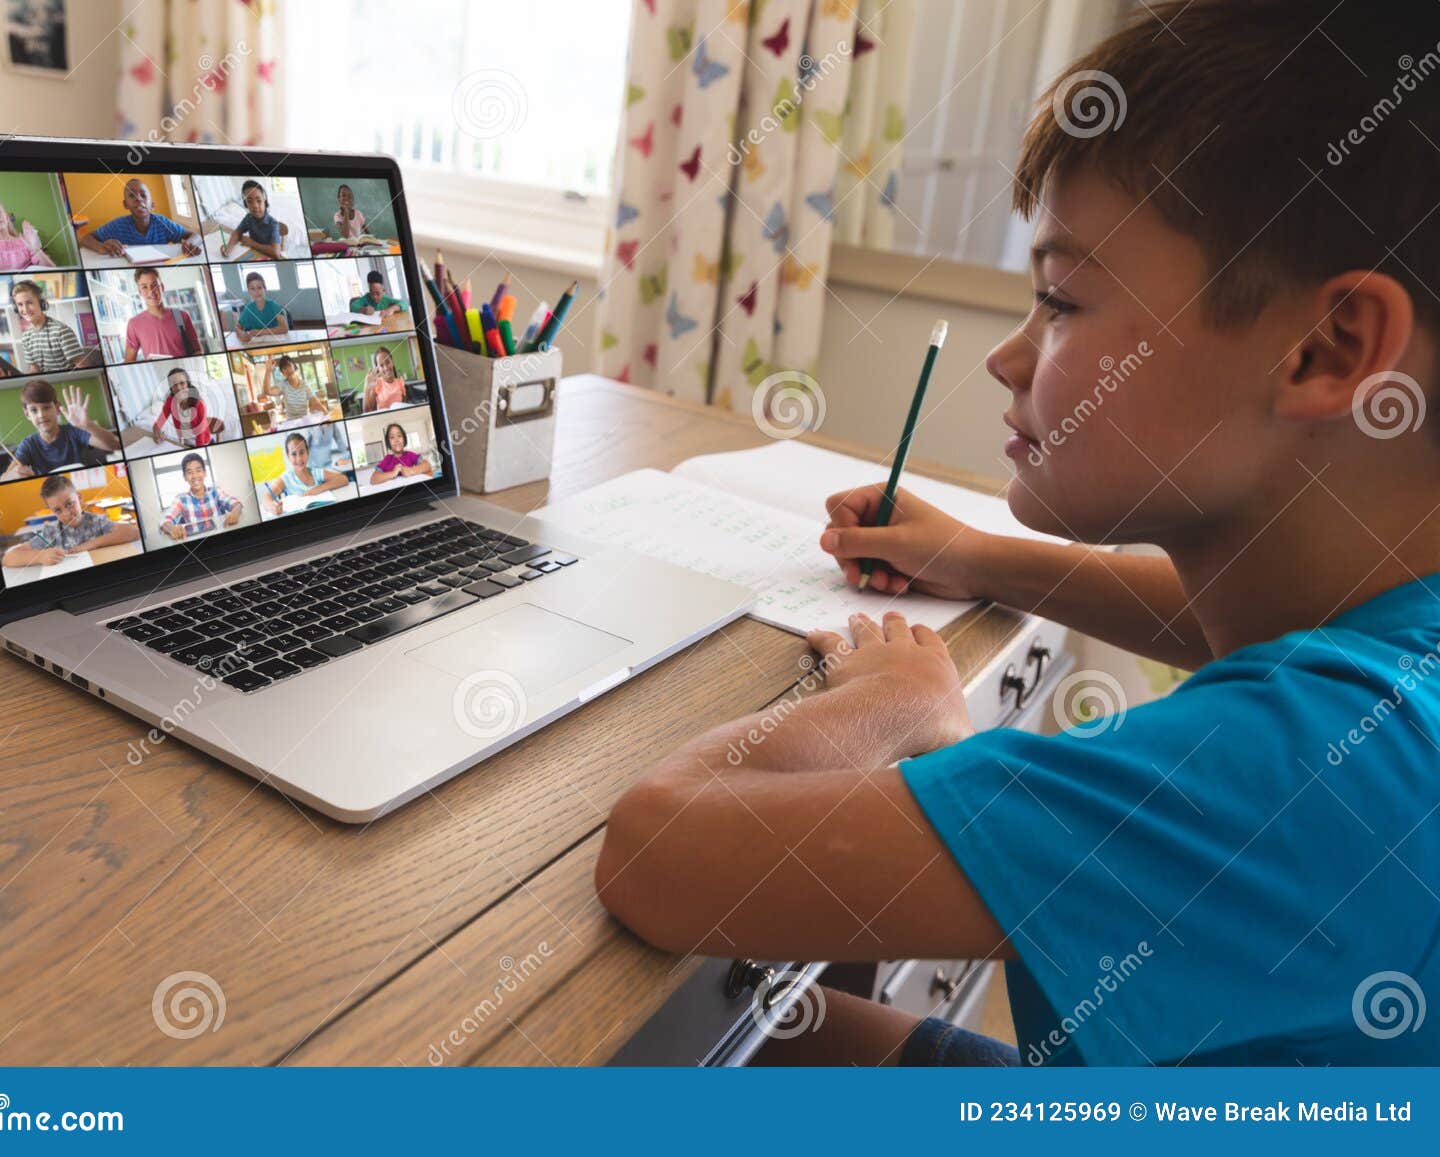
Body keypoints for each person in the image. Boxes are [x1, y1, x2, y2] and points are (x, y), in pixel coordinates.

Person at [595, 0, 1440, 1067]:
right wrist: (974, 555)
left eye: (1061, 300)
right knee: (756, 1034)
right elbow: (1215, 616)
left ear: (1326, 348)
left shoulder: (1308, 769)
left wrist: (897, 708)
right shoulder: (1387, 648)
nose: (1008, 358)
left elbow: (657, 851)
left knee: (655, 1052)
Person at [1, 473, 139, 566]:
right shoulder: (51, 532)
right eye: (58, 510)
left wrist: (92, 544)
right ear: (52, 511)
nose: (67, 513)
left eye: (69, 504)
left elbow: (134, 531)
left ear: (79, 498)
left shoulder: (96, 522)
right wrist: (40, 556)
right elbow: (8, 557)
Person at [0, 379, 121, 480]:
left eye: (46, 407)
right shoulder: (28, 445)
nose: (41, 415)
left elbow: (116, 445)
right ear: (27, 414)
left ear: (57, 408)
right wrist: (14, 475)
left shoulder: (74, 431)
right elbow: (3, 478)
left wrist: (88, 425)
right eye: (34, 410)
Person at [79, 178, 202, 258]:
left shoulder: (162, 223)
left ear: (152, 205)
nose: (138, 198)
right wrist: (101, 247)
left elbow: (196, 235)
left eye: (143, 195)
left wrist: (190, 243)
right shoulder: (117, 226)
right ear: (125, 204)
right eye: (132, 196)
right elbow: (85, 239)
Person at [12, 280, 95, 373]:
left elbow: (84, 367)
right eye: (20, 304)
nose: (25, 309)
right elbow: (34, 369)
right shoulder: (26, 337)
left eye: (29, 303)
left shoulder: (60, 331)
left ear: (41, 303)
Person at [123, 267, 203, 361]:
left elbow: (197, 351)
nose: (151, 291)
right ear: (140, 292)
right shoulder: (134, 324)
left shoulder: (181, 316)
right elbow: (129, 361)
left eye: (154, 285)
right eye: (144, 287)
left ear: (162, 287)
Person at [160, 453, 243, 541]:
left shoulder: (215, 491)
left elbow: (236, 504)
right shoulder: (180, 499)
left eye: (198, 470)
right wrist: (171, 529)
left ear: (204, 473)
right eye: (189, 473)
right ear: (184, 477)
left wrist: (235, 513)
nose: (195, 476)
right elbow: (165, 521)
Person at [263, 432, 350, 515]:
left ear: (307, 452)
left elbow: (343, 479)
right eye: (294, 454)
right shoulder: (286, 478)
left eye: (302, 452)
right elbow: (266, 498)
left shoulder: (315, 472)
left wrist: (316, 490)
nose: (299, 458)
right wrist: (272, 507)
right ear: (288, 456)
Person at [149, 365, 225, 447]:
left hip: (204, 443)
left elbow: (200, 435)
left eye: (182, 383)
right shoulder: (170, 402)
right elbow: (161, 419)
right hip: (185, 443)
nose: (178, 388)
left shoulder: (199, 405)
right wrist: (156, 428)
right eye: (174, 384)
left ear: (188, 384)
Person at [255, 353, 327, 422]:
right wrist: (268, 370)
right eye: (284, 368)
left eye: (289, 366)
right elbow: (267, 391)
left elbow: (315, 402)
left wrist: (326, 415)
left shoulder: (304, 384)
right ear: (283, 373)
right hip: (291, 422)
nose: (288, 370)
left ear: (294, 366)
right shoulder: (283, 385)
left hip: (305, 420)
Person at [223, 179, 284, 260]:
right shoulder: (249, 217)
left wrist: (252, 243)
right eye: (249, 201)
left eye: (259, 201)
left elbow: (276, 252)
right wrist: (228, 248)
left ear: (264, 202)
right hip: (254, 253)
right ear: (245, 204)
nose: (255, 206)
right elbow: (237, 232)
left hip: (268, 256)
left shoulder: (273, 224)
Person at [364, 422, 432, 484]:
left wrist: (411, 471)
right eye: (392, 437)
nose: (396, 440)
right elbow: (373, 479)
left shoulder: (410, 455)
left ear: (404, 439)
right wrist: (393, 473)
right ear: (388, 442)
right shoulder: (387, 459)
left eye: (399, 436)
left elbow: (427, 465)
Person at [235, 271, 288, 343]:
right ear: (249, 291)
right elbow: (237, 327)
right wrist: (241, 334)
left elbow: (284, 328)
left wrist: (261, 332)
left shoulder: (273, 305)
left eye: (259, 288)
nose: (257, 291)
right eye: (252, 289)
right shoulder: (248, 309)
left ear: (265, 289)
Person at [360, 346, 407, 412]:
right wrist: (366, 388)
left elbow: (405, 406)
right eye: (381, 365)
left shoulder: (400, 382)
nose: (386, 368)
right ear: (378, 368)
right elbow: (367, 411)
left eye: (388, 362)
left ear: (392, 362)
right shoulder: (376, 384)